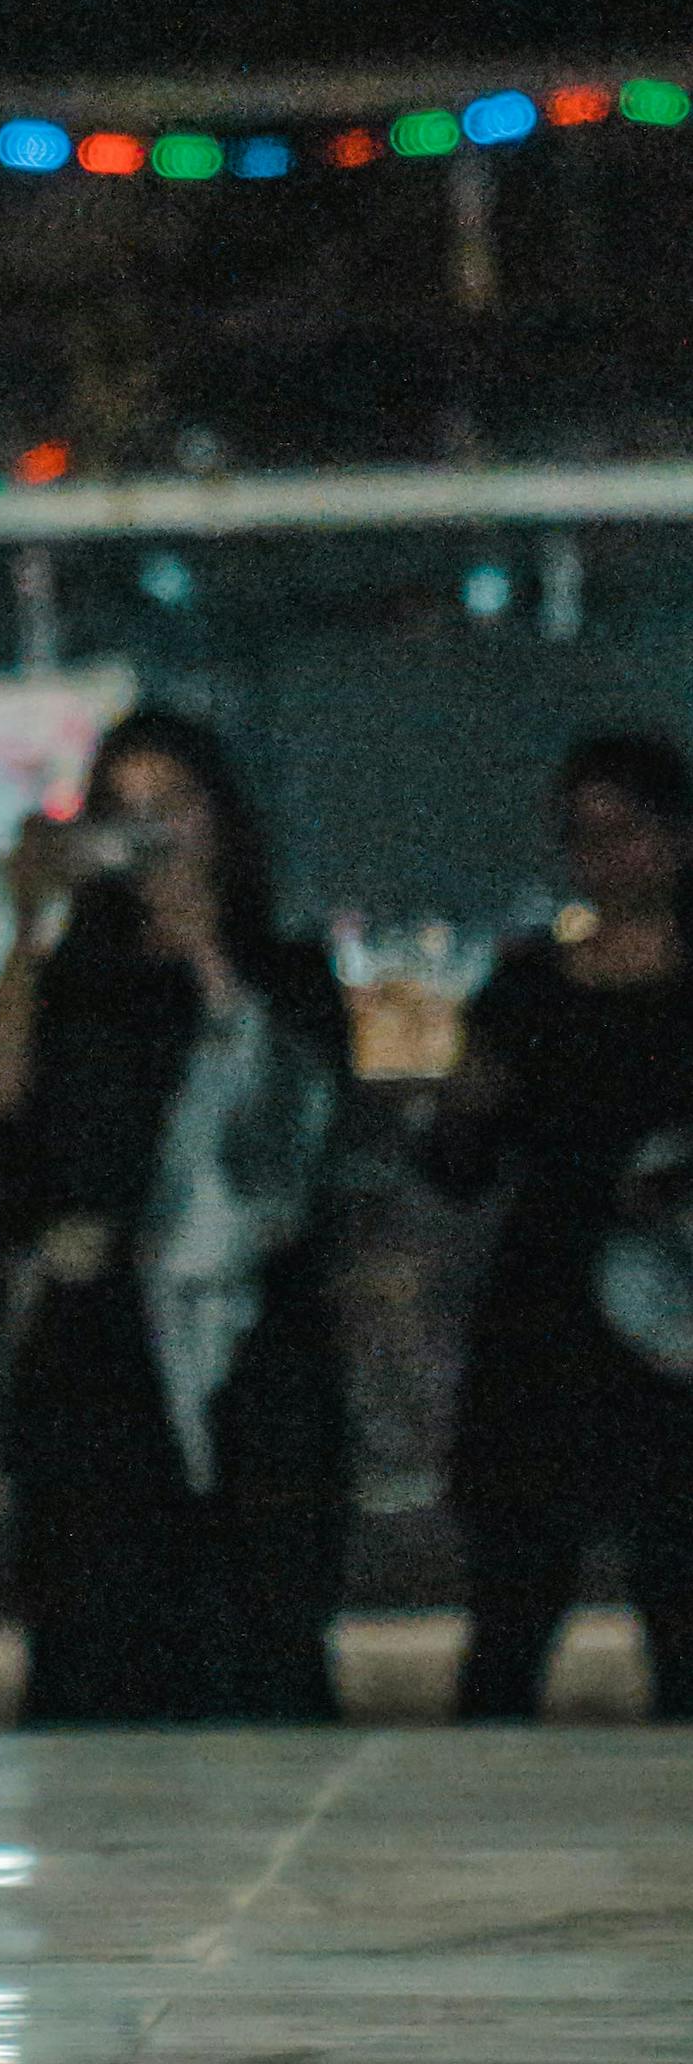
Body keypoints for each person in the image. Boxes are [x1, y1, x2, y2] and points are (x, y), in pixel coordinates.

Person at [0, 707, 354, 1725]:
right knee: (94, 1626)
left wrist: (208, 958)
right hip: (95, 1341)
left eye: (171, 805)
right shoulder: (75, 979)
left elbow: (297, 1129)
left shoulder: (286, 970)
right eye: (124, 811)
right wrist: (25, 923)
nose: (150, 834)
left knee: (254, 1624)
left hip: (247, 1343)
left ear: (220, 816)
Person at [422, 723, 693, 1721]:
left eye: (626, 831)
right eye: (584, 835)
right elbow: (456, 1167)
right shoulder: (528, 989)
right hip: (546, 1328)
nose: (605, 857)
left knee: (680, 1604)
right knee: (512, 1606)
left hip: (673, 1332)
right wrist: (466, 1102)